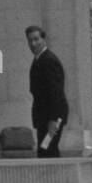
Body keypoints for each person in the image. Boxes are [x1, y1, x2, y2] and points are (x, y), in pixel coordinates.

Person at [26, 25, 68, 157]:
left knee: (48, 151)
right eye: (30, 40)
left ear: (43, 39)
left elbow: (56, 93)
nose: (33, 43)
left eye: (36, 39)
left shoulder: (49, 60)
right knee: (44, 150)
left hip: (52, 118)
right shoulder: (39, 59)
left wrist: (53, 120)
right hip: (44, 117)